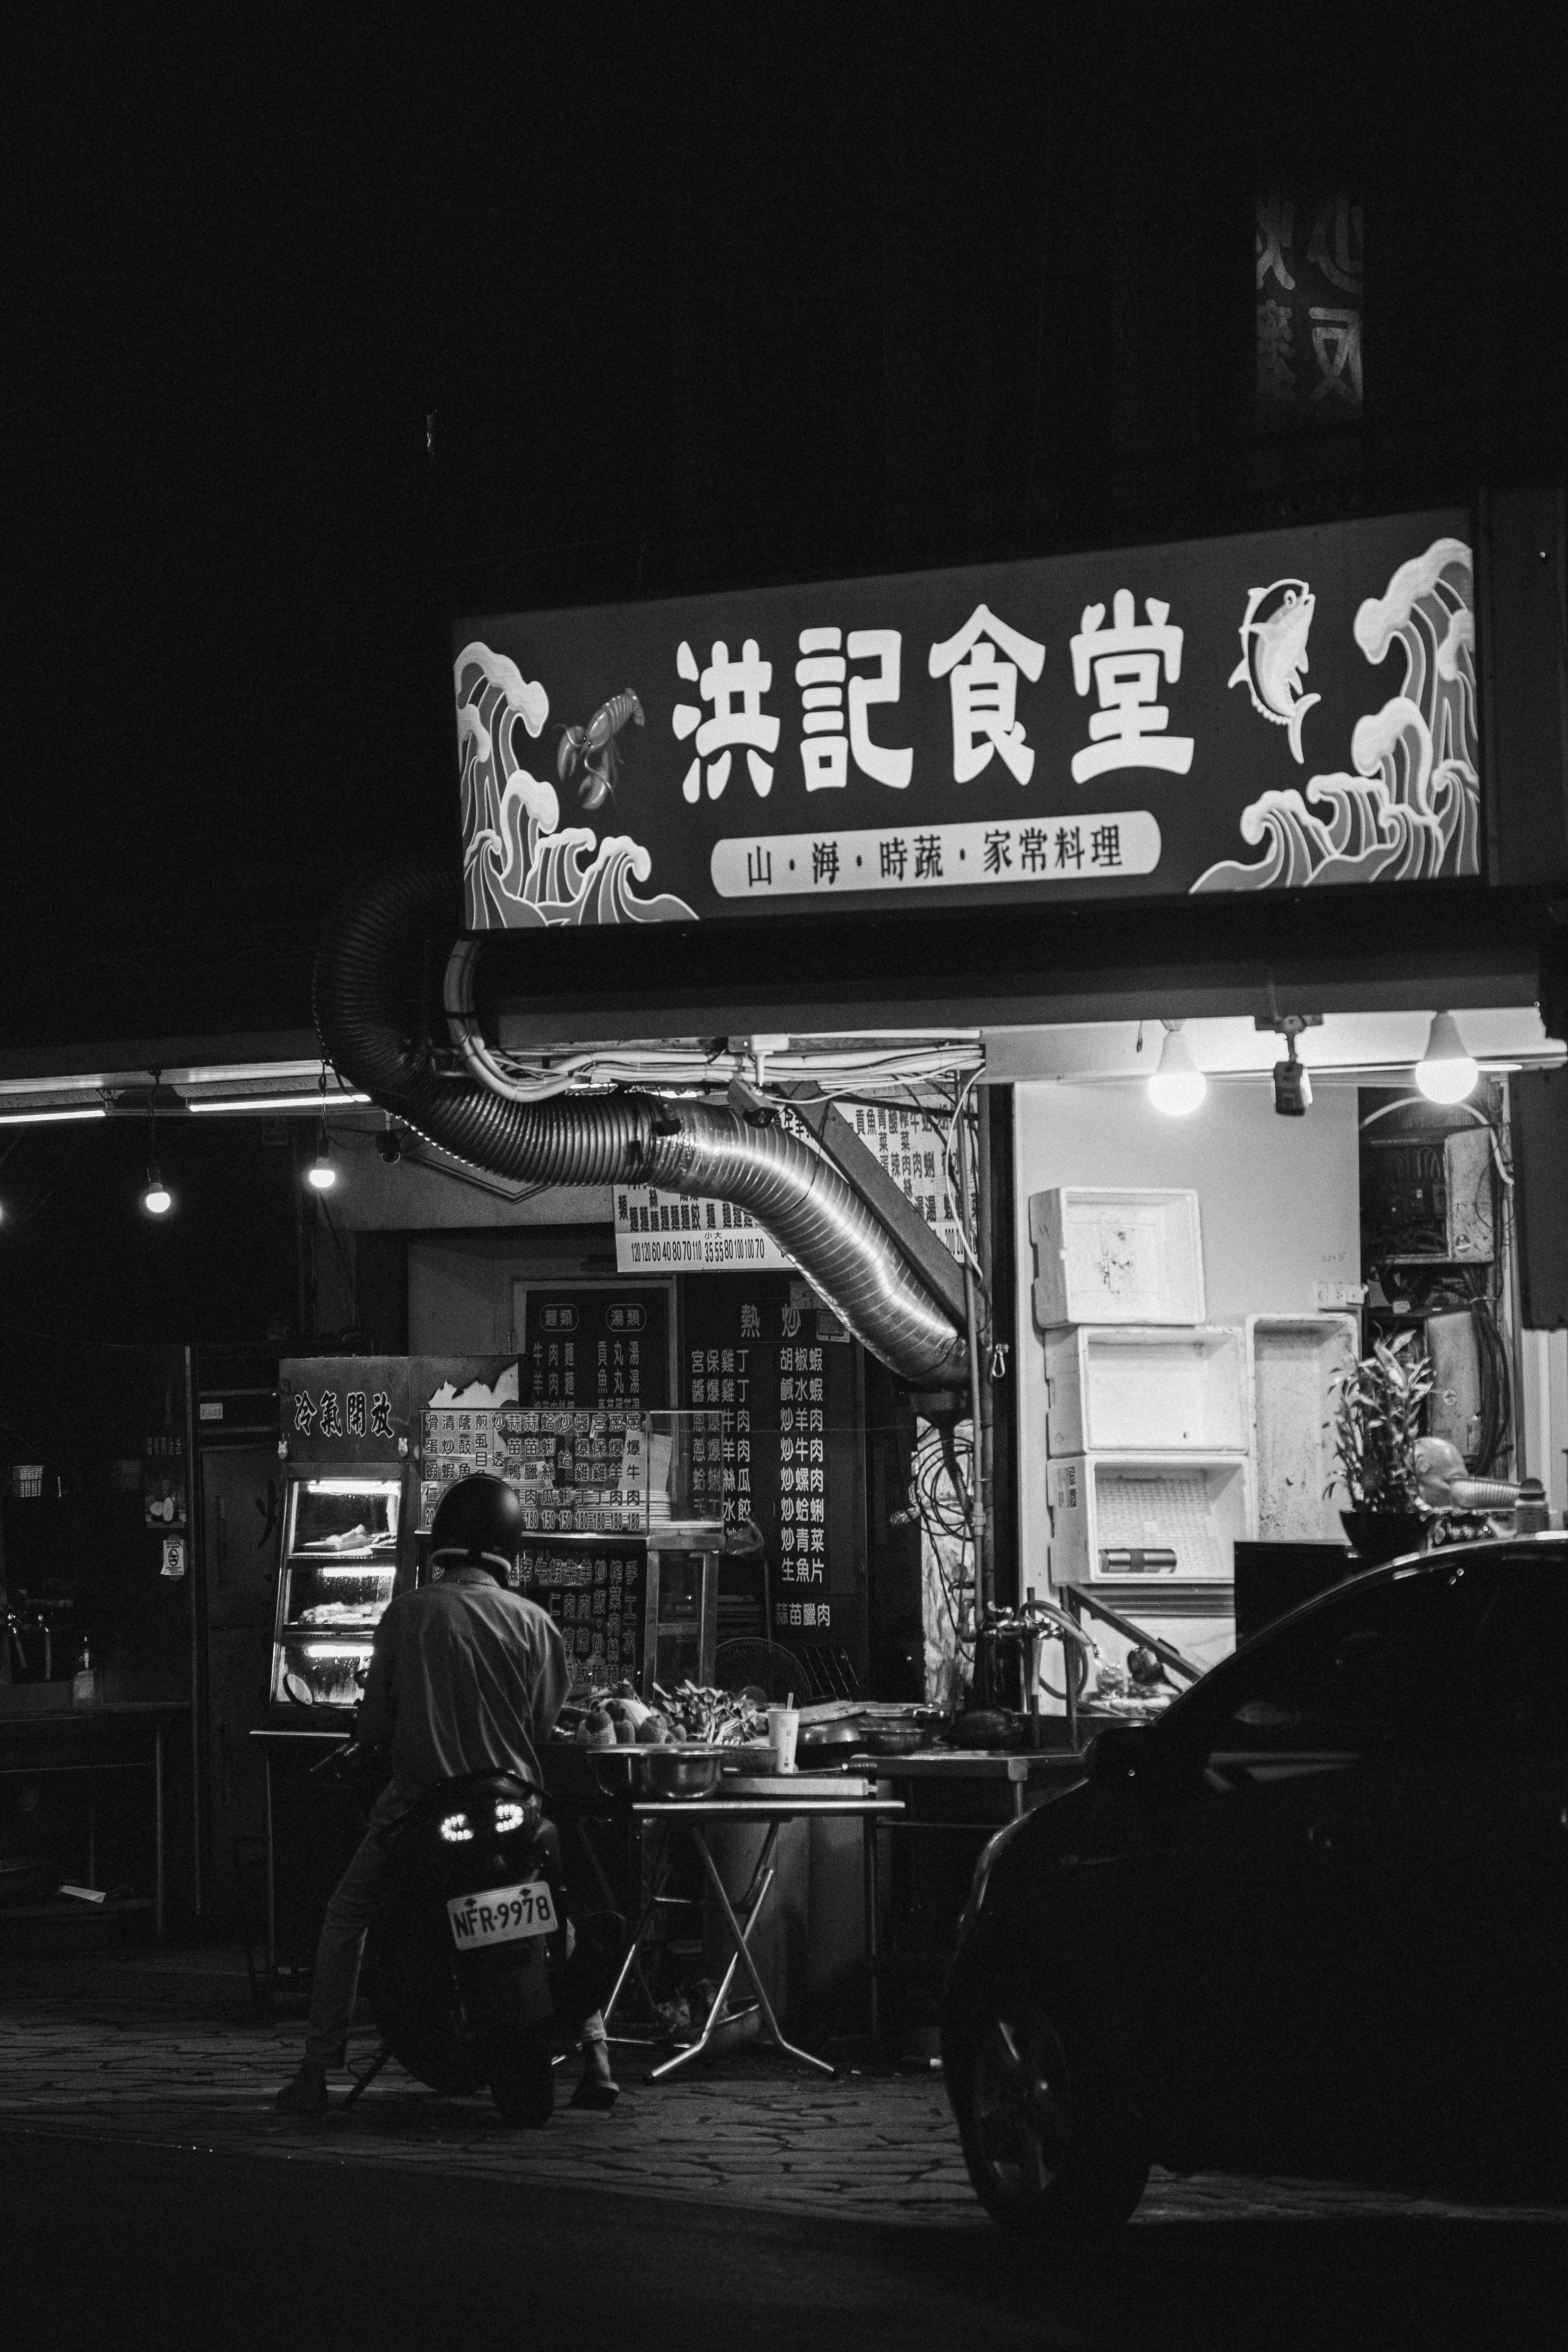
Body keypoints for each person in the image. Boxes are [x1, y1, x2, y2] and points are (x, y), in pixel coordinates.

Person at [274, 1472, 618, 2116]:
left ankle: (317, 2071)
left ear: (447, 1541)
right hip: (516, 1808)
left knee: (346, 1919)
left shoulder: (408, 1613)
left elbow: (374, 1725)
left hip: (421, 1809)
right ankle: (598, 2059)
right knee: (556, 1912)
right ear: (508, 1547)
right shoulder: (536, 1623)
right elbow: (544, 1726)